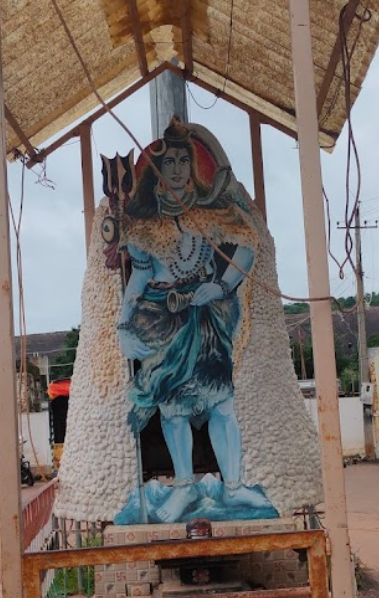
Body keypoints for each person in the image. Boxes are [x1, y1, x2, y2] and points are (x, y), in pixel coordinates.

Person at [116, 118, 270, 522]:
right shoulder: (146, 226)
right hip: (163, 320)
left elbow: (249, 248)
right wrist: (122, 325)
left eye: (184, 160)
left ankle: (234, 487)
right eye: (169, 164)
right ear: (159, 173)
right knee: (172, 408)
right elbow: (140, 277)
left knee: (222, 405)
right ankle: (184, 486)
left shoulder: (212, 213)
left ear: (193, 165)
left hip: (208, 318)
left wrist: (221, 287)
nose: (178, 169)